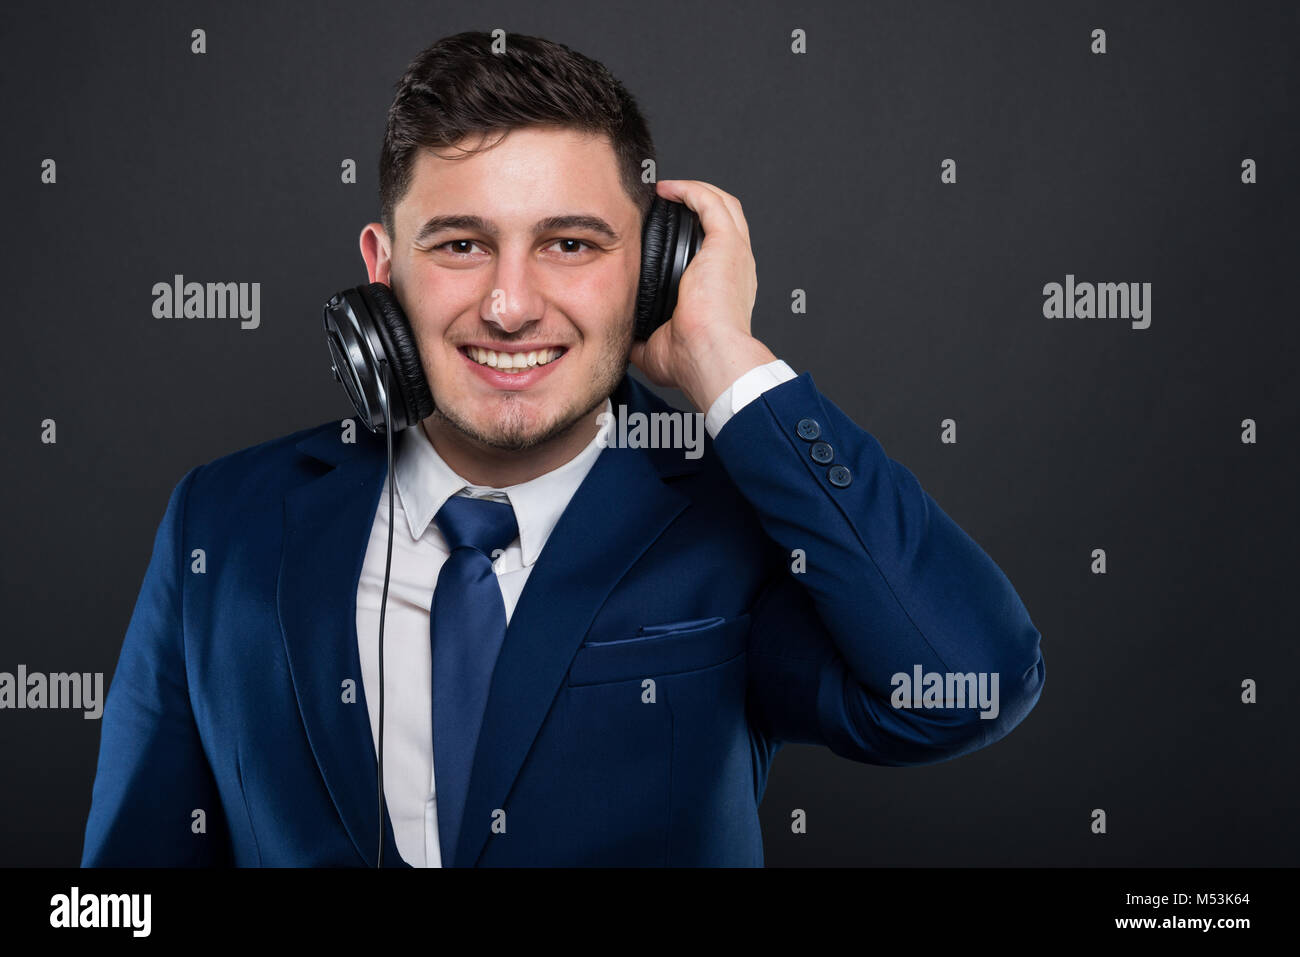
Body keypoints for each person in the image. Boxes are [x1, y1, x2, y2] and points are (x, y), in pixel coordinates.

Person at [81, 30, 1044, 867]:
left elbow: (970, 686)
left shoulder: (733, 526)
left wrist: (724, 361)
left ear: (656, 270)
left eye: (572, 245)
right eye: (460, 244)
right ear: (382, 272)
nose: (510, 305)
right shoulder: (222, 522)